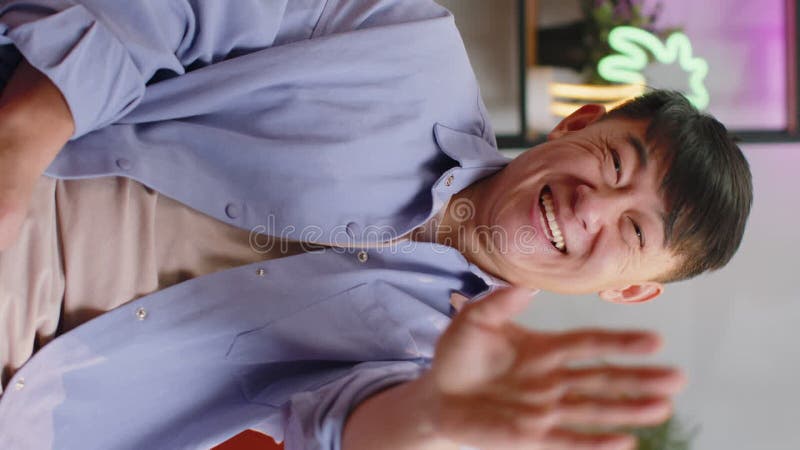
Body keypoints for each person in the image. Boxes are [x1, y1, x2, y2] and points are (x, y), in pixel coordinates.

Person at [0, 1, 751, 449]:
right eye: (615, 165)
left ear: (628, 292)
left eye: (633, 234)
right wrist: (24, 135)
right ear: (578, 121)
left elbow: (342, 427)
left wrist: (433, 413)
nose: (592, 207)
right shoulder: (404, 44)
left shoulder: (432, 360)